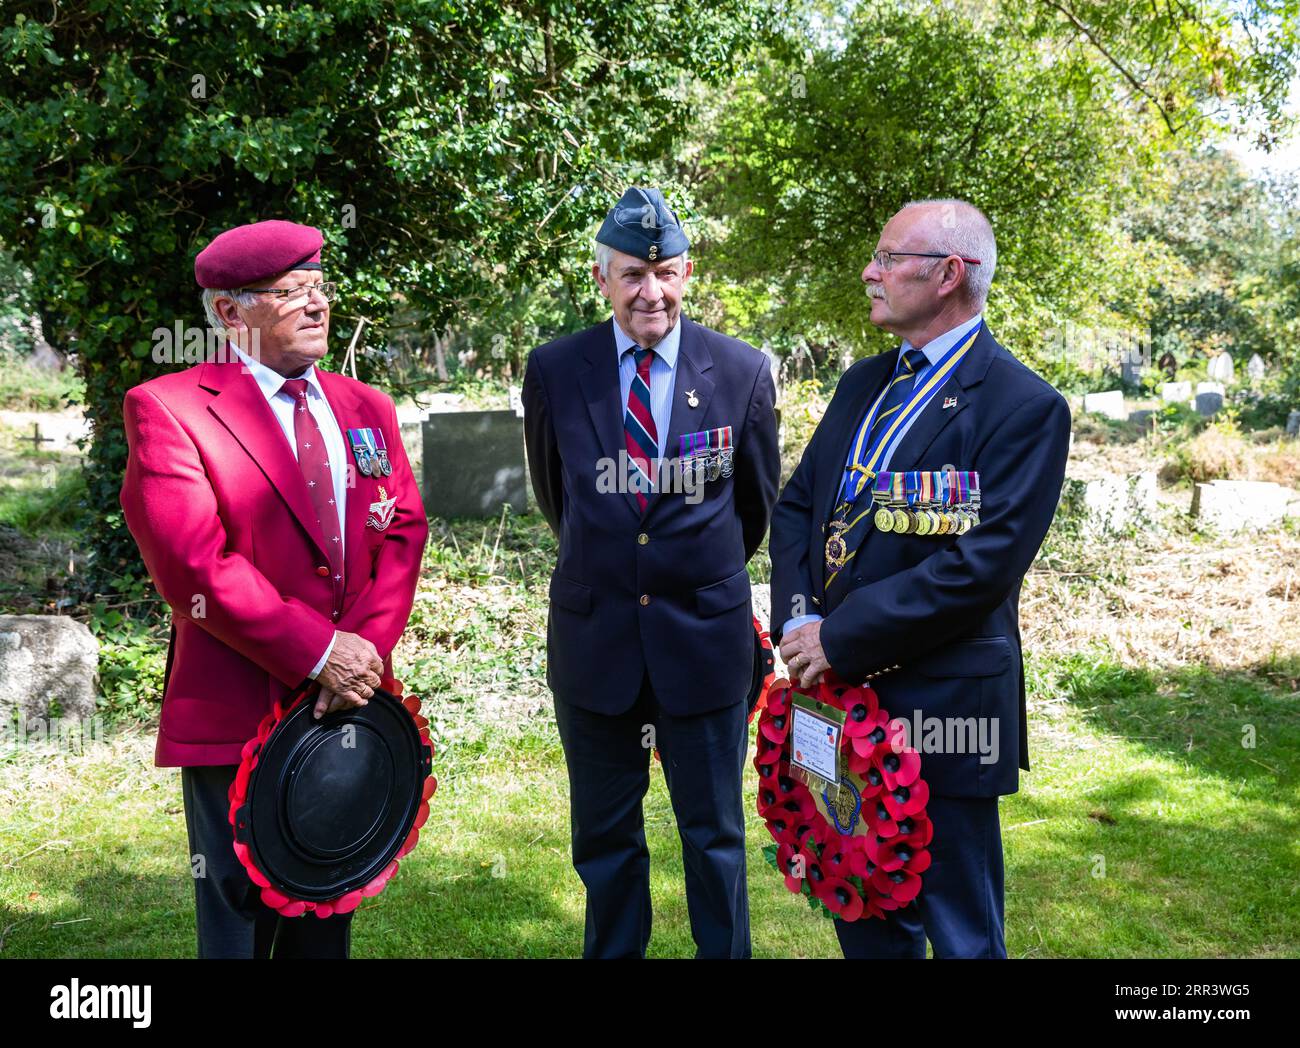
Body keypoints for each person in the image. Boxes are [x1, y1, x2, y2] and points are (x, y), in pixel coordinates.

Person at [770, 199, 1070, 959]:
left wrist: (839, 637)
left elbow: (979, 567)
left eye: (887, 258)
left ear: (947, 274)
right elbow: (800, 505)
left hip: (945, 706)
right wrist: (800, 619)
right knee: (861, 909)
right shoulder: (862, 383)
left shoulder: (1023, 407)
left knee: (960, 931)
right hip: (834, 697)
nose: (870, 272)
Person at [119, 219, 429, 958]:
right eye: (291, 293)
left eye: (319, 289)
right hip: (238, 709)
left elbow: (403, 531)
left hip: (349, 704)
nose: (317, 305)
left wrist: (360, 656)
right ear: (231, 313)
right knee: (238, 926)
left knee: (328, 908)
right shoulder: (171, 409)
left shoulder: (366, 408)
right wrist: (319, 651)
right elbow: (194, 564)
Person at [523, 187, 780, 958]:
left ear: (687, 271)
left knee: (715, 841)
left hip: (703, 643)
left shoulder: (740, 371)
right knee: (605, 844)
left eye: (666, 271)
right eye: (633, 274)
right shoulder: (557, 369)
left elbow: (755, 510)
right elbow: (556, 495)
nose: (652, 292)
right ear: (601, 278)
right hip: (596, 642)